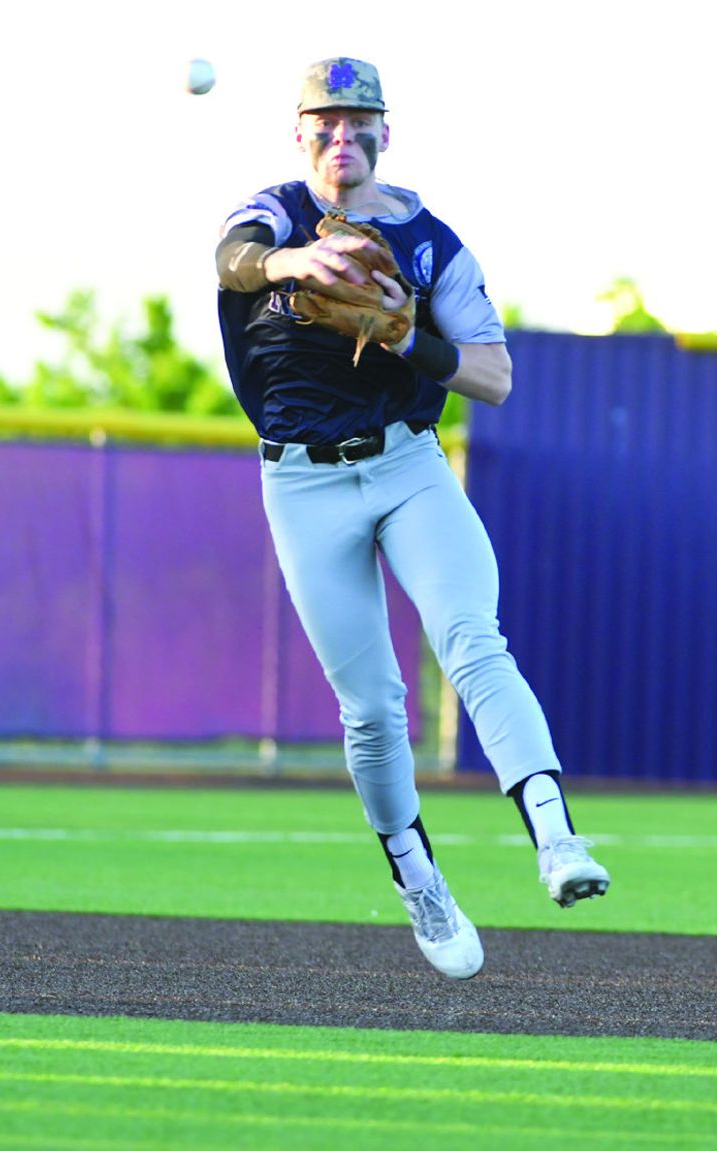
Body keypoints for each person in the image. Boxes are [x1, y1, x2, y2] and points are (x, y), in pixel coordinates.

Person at [214, 59, 611, 979]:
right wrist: (291, 261)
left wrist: (405, 337)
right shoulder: (272, 214)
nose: (341, 137)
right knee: (371, 709)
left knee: (473, 641)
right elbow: (231, 260)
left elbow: (495, 376)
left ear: (385, 133)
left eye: (358, 122)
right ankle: (419, 879)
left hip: (405, 464)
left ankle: (557, 838)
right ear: (300, 133)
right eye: (324, 122)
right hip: (303, 484)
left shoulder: (432, 243)